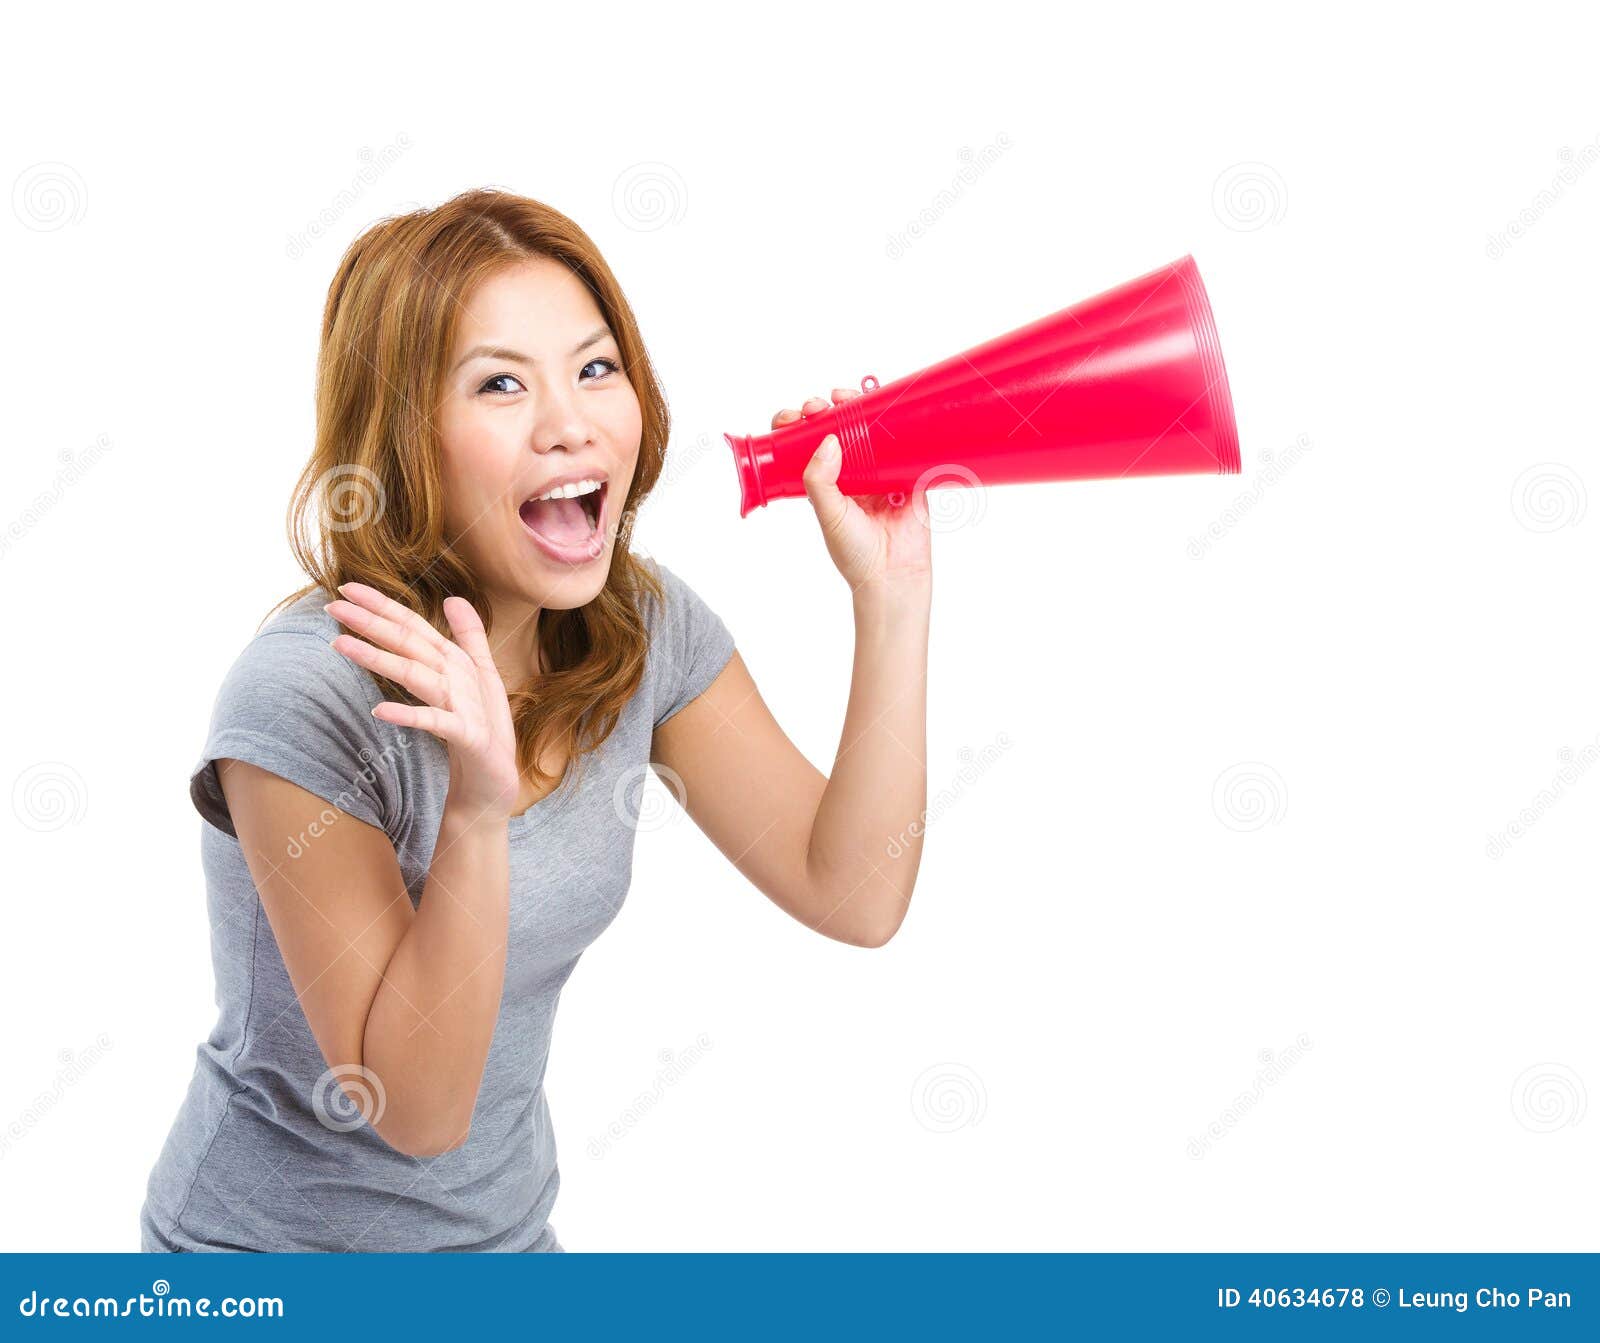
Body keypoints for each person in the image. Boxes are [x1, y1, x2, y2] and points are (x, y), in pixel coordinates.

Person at [139, 187, 932, 1252]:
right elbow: (415, 1110)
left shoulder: (639, 629)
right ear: (404, 436)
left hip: (506, 1247)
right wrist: (475, 809)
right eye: (500, 383)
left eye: (595, 368)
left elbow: (854, 889)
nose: (570, 422)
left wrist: (891, 601)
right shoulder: (305, 695)